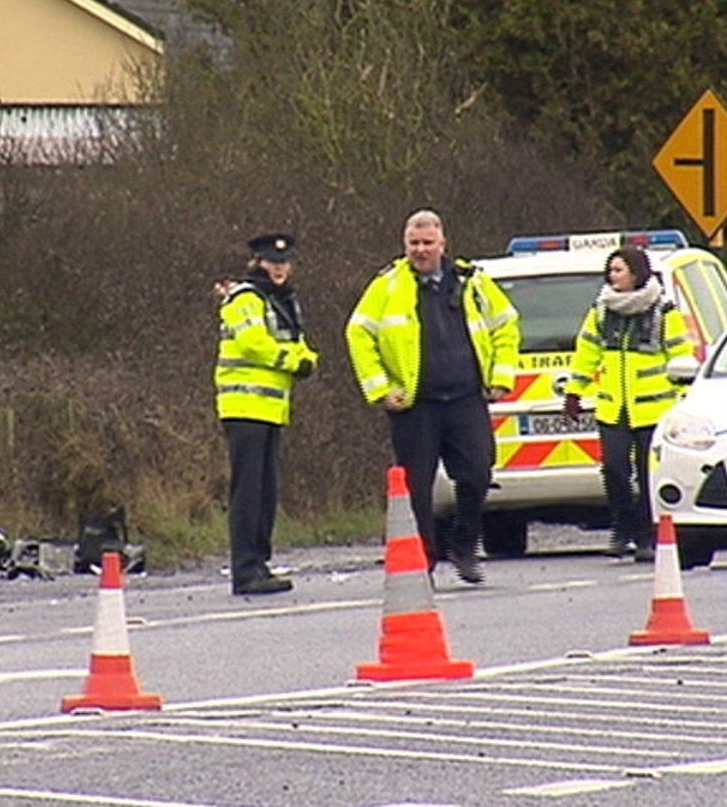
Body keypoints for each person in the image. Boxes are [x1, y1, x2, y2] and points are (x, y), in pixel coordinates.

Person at [345, 210, 520, 584]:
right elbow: (358, 334)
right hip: (415, 405)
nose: (421, 251)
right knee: (416, 486)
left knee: (476, 473)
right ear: (404, 245)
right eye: (414, 244)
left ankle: (464, 544)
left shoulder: (472, 282)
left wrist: (500, 376)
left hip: (465, 398)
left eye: (427, 243)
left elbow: (506, 325)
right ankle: (422, 558)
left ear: (443, 244)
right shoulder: (387, 286)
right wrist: (379, 389)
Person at [564, 245, 693, 563]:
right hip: (613, 408)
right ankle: (621, 528)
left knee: (648, 474)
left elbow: (679, 352)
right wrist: (574, 391)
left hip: (653, 409)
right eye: (610, 271)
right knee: (615, 470)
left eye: (619, 270)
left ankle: (644, 536)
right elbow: (587, 351)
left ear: (636, 273)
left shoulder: (662, 311)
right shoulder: (602, 310)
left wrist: (683, 388)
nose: (612, 276)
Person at [215, 232, 318, 595]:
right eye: (273, 262)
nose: (279, 268)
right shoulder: (245, 298)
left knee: (265, 492)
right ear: (258, 262)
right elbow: (253, 343)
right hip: (244, 406)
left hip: (271, 408)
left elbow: (299, 342)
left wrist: (308, 359)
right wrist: (294, 362)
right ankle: (245, 570)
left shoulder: (283, 300)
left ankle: (259, 563)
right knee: (248, 492)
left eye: (284, 262)